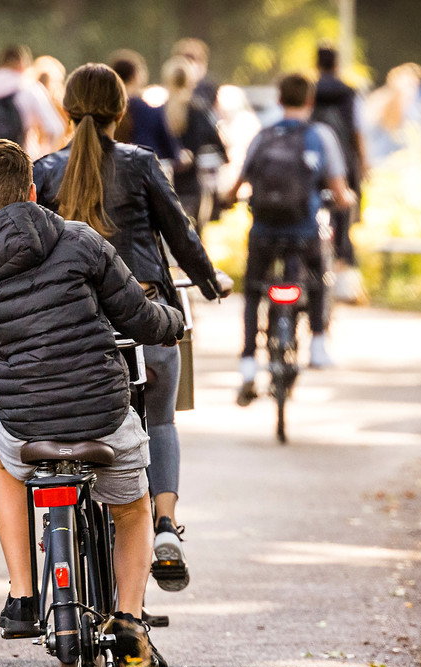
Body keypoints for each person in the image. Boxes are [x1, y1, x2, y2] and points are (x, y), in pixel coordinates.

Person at [0, 138, 185, 667]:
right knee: (132, 508)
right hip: (102, 414)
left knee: (8, 469)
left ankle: (22, 595)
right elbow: (139, 318)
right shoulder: (80, 241)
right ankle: (129, 618)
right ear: (33, 192)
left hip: (27, 423)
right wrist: (173, 321)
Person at [32, 62, 232, 594]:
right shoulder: (142, 163)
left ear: (66, 111)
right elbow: (181, 235)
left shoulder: (44, 172)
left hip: (71, 330)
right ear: (121, 112)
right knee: (160, 419)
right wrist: (211, 284)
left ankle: (62, 531)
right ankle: (164, 524)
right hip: (145, 320)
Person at [223, 73, 355, 403]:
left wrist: (229, 198)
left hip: (264, 232)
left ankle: (248, 363)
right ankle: (319, 341)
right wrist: (347, 200)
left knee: (254, 290)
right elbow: (339, 192)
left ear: (279, 99)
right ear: (310, 101)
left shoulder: (263, 136)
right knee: (319, 274)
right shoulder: (320, 136)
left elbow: (237, 185)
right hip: (303, 232)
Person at [311, 44, 369, 303]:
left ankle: (313, 271)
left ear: (316, 64)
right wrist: (363, 163)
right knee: (343, 220)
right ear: (336, 64)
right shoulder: (349, 92)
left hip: (313, 163)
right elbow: (358, 130)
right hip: (344, 164)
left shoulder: (309, 90)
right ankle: (343, 285)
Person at [160, 54, 229, 228]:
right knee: (193, 231)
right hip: (192, 183)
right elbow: (215, 138)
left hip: (164, 183)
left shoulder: (160, 111)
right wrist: (225, 157)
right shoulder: (198, 109)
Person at [0, 44, 67, 151]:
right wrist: (46, 154)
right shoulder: (29, 87)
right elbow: (55, 128)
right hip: (22, 155)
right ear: (22, 64)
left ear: (2, 63)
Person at [107, 49, 180, 166]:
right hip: (145, 168)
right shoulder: (150, 109)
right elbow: (170, 149)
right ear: (135, 75)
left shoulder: (105, 108)